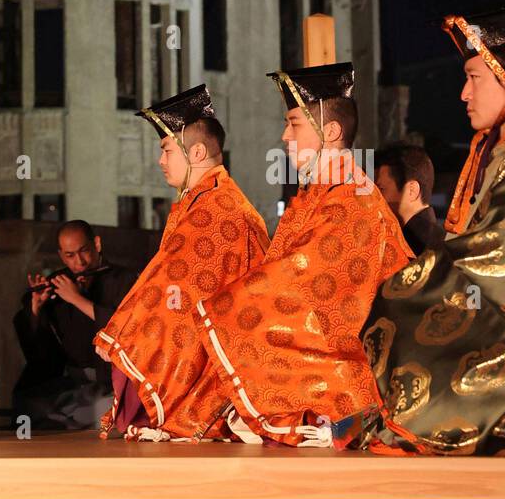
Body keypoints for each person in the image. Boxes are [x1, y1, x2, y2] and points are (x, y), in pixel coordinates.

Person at [192, 63, 412, 446]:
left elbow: (312, 287)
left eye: (294, 124)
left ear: (331, 131)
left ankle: (335, 414)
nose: (283, 135)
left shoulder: (353, 198)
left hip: (364, 371)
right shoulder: (319, 193)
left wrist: (229, 303)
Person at [362, 6, 505, 455]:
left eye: (475, 78)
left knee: (403, 299)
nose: (463, 94)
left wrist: (424, 275)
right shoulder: (498, 151)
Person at [95, 86, 270, 441]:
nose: (160, 161)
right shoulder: (207, 199)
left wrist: (122, 333)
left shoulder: (217, 209)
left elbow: (173, 287)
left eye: (166, 150)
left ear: (198, 151)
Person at [12, 221, 138, 431]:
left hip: (110, 383)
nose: (79, 261)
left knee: (106, 410)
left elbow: (127, 327)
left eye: (84, 251)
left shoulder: (124, 279)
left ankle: (74, 420)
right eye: (70, 256)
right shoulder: (59, 281)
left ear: (96, 244)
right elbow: (41, 352)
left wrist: (77, 299)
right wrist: (36, 309)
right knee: (29, 404)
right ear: (61, 256)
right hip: (72, 383)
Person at [374, 143, 445, 254]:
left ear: (412, 190)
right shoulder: (438, 241)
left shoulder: (419, 247)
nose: (374, 198)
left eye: (381, 189)